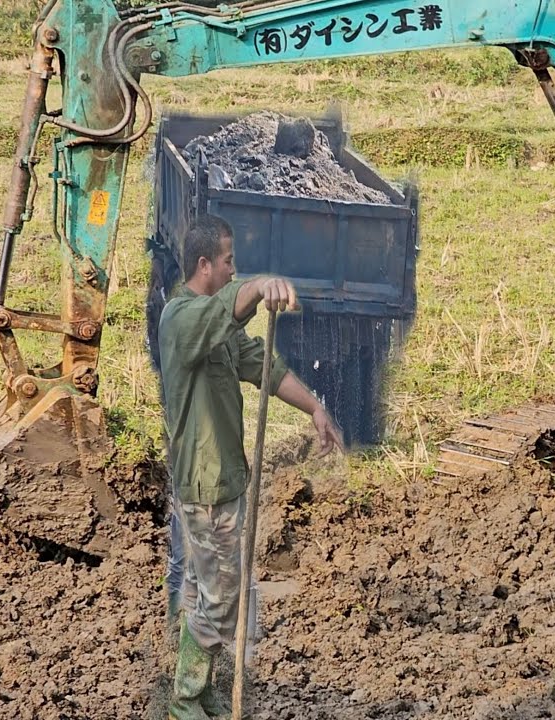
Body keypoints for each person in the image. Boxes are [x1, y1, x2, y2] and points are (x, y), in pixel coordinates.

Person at [158, 214, 344, 720]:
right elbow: (227, 307)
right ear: (204, 265)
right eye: (228, 261)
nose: (233, 268)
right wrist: (259, 286)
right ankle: (186, 698)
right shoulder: (181, 319)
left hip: (225, 478)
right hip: (206, 485)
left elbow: (265, 366)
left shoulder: (216, 327)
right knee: (222, 595)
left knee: (204, 587)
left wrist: (315, 408)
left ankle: (197, 688)